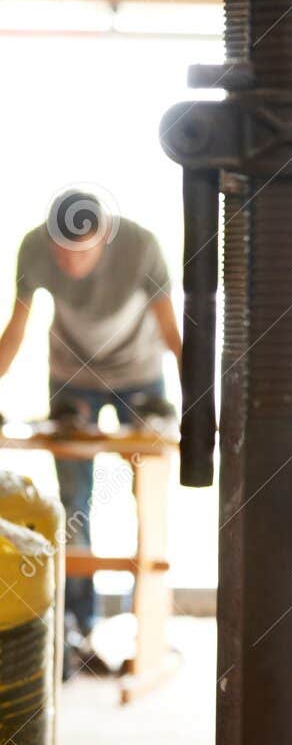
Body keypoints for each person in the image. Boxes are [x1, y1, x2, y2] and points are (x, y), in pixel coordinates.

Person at [0, 188, 182, 674]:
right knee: (73, 499)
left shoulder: (140, 246)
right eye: (60, 249)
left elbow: (170, 328)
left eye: (79, 252)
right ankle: (77, 631)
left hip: (138, 373)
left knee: (146, 492)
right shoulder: (34, 247)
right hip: (71, 374)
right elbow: (16, 331)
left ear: (104, 236)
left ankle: (147, 637)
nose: (66, 261)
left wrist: (202, 404)